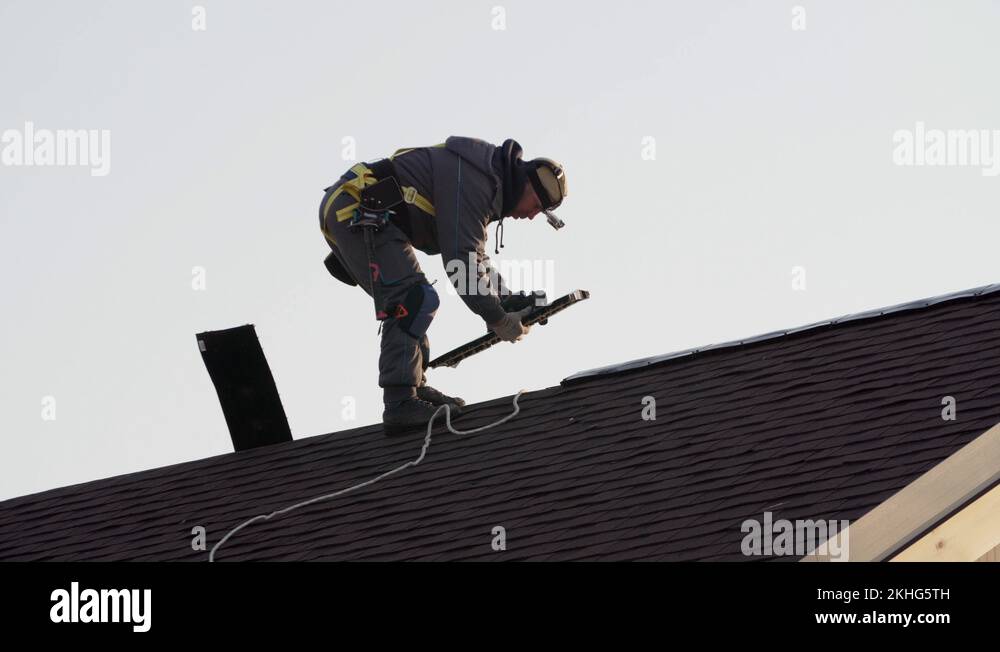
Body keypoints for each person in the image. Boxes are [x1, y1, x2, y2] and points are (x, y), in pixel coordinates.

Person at [318, 137, 567, 434]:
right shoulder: (477, 181)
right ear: (524, 184)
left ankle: (414, 388)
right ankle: (400, 401)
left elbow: (475, 255)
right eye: (536, 206)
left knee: (414, 300)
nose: (531, 216)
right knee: (412, 298)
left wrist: (505, 300)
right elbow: (460, 260)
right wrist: (497, 318)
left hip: (368, 211)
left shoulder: (488, 179)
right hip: (358, 210)